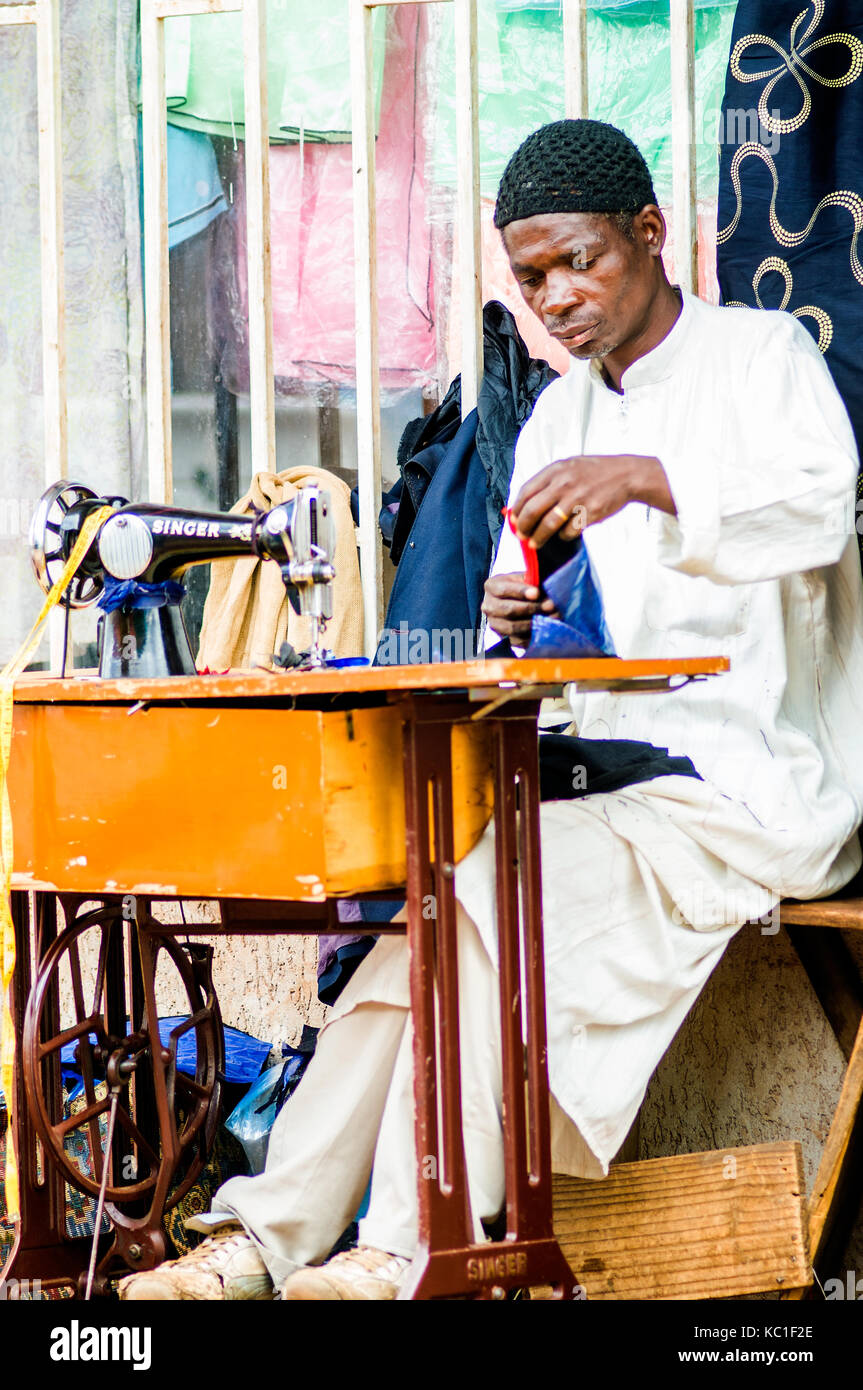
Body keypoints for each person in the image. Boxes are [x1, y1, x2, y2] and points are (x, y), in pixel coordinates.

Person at [120, 119, 863, 1302]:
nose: (558, 298)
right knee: (420, 921)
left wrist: (649, 482)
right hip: (612, 775)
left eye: (580, 262)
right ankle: (263, 1236)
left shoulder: (760, 355)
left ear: (649, 234)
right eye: (529, 279)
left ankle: (405, 1246)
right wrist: (512, 626)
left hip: (749, 783)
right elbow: (536, 629)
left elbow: (818, 513)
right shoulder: (561, 416)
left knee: (477, 898)